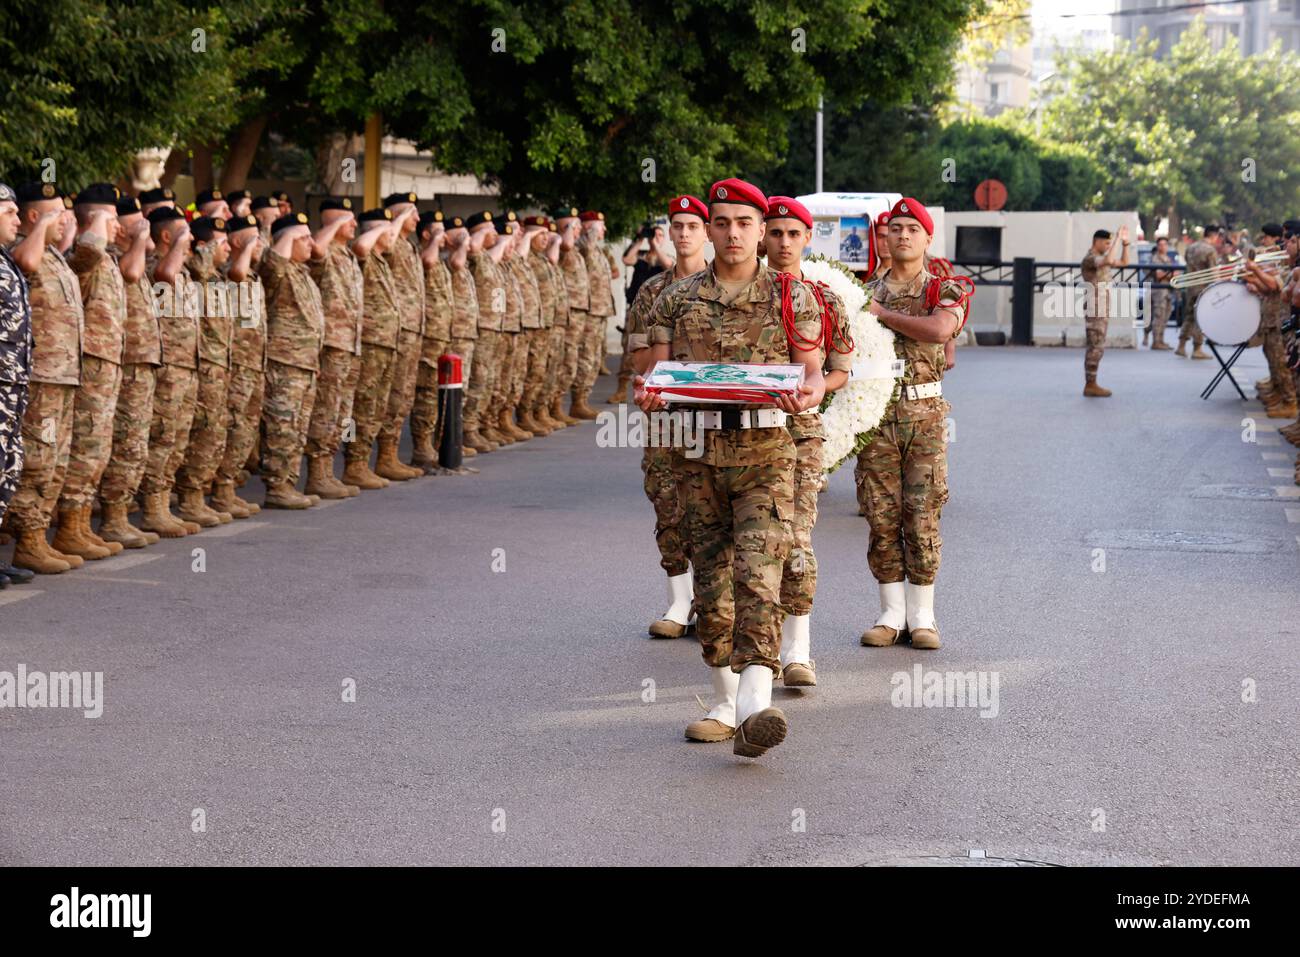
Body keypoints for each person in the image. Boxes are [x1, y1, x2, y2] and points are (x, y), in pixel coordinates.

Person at [637, 178, 827, 759]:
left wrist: (807, 396)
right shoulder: (675, 298)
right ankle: (723, 703)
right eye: (721, 222)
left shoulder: (794, 297)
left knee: (760, 576)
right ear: (710, 229)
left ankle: (755, 705)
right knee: (713, 588)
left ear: (761, 231)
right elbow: (654, 371)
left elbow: (814, 375)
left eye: (745, 224)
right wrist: (650, 392)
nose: (732, 234)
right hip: (695, 455)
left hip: (766, 454)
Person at [857, 198, 967, 652]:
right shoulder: (862, 291)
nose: (902, 235)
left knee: (921, 514)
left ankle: (923, 615)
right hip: (876, 415)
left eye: (911, 229)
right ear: (885, 237)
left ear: (927, 238)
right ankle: (890, 613)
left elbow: (941, 331)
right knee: (881, 515)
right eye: (895, 228)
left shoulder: (945, 288)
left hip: (923, 417)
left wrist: (884, 318)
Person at [763, 196, 854, 687]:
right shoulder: (739, 294)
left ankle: (797, 652)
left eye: (792, 233)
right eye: (774, 233)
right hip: (741, 431)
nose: (783, 242)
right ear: (763, 236)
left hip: (799, 431)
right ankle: (755, 652)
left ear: (806, 238)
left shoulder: (824, 298)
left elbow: (841, 370)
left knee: (796, 538)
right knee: (749, 544)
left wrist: (818, 387)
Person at [625, 195, 708, 641]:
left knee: (713, 506)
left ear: (707, 232)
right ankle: (680, 598)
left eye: (693, 226)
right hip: (667, 415)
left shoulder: (723, 289)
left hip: (716, 418)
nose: (684, 234)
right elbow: (639, 356)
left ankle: (714, 600)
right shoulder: (652, 291)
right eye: (677, 226)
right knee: (667, 501)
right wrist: (672, 370)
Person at [5, 182, 87, 574]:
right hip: (41, 376)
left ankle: (40, 536)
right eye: (54, 212)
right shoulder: (25, 249)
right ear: (34, 217)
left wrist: (59, 227)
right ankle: (28, 540)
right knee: (37, 457)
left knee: (54, 458)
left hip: (64, 375)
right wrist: (44, 225)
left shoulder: (56, 255)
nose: (64, 219)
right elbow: (27, 261)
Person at [54, 184, 130, 560]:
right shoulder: (83, 254)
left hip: (108, 363)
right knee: (84, 446)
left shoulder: (107, 257)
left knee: (96, 447)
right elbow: (84, 253)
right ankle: (68, 528)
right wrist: (96, 223)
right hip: (91, 362)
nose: (120, 227)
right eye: (113, 218)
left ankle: (81, 524)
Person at [97, 194, 162, 548]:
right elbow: (134, 271)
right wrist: (138, 238)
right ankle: (111, 517)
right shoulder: (122, 258)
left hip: (140, 360)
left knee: (136, 441)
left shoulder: (130, 254)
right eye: (138, 223)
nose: (145, 229)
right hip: (128, 361)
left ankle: (122, 514)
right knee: (124, 441)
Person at [137, 206, 202, 538]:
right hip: (168, 366)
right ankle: (151, 508)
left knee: (177, 437)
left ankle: (163, 504)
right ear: (165, 236)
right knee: (161, 437)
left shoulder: (185, 270)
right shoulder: (154, 265)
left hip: (187, 364)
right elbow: (163, 275)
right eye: (182, 232)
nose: (190, 239)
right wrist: (178, 244)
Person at [259, 211, 325, 508]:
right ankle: (276, 486)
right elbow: (273, 265)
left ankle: (289, 482)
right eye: (304, 238)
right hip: (284, 362)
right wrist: (286, 233)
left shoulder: (303, 273)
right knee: (281, 426)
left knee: (298, 427)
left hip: (305, 363)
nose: (311, 243)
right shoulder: (277, 271)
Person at [173, 214, 234, 527]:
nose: (228, 248)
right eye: (220, 244)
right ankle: (188, 498)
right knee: (201, 431)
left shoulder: (218, 278)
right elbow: (197, 267)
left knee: (213, 432)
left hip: (218, 364)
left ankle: (197, 495)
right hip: (202, 364)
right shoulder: (196, 272)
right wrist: (203, 250)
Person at [304, 198, 367, 495]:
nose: (354, 224)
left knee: (344, 412)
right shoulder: (324, 250)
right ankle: (317, 473)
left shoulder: (348, 255)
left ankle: (330, 468)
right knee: (326, 410)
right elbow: (316, 249)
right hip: (332, 343)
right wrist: (331, 227)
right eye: (348, 220)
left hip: (350, 344)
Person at [212, 213, 271, 515]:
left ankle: (229, 484)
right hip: (236, 365)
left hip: (253, 364)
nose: (259, 244)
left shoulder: (253, 275)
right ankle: (220, 488)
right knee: (233, 426)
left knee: (246, 428)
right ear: (236, 242)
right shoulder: (228, 270)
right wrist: (246, 248)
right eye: (252, 238)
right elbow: (234, 272)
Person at [343, 208, 401, 487]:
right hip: (369, 343)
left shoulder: (382, 261)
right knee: (360, 406)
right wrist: (380, 229)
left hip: (385, 343)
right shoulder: (364, 256)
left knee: (376, 406)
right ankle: (352, 463)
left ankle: (365, 460)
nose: (394, 238)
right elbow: (362, 245)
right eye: (389, 233)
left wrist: (388, 228)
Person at [0, 182, 37, 586]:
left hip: (11, 383)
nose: (17, 218)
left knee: (7, 468)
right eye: (9, 212)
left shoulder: (5, 261)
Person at [377, 192, 425, 481]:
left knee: (403, 396)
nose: (416, 219)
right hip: (398, 331)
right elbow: (386, 243)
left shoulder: (410, 247)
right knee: (391, 395)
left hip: (412, 329)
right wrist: (397, 219)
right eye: (412, 213)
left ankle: (390, 454)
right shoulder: (391, 242)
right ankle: (382, 457)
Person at [410, 209, 456, 471]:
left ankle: (433, 443)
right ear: (426, 234)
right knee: (425, 393)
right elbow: (426, 262)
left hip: (442, 334)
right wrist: (436, 241)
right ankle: (421, 445)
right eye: (438, 230)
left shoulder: (440, 258)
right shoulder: (422, 254)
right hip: (428, 336)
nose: (444, 236)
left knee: (438, 392)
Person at [464, 211, 511, 448]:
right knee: (477, 379)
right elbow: (472, 247)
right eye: (489, 229)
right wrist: (482, 234)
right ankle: (467, 429)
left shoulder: (490, 258)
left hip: (493, 327)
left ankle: (481, 424)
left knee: (489, 380)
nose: (495, 233)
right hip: (481, 326)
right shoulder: (475, 255)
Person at [1244, 224, 1297, 420]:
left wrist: (1256, 270)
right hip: (1274, 317)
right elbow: (1269, 289)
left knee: (1283, 362)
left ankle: (1290, 402)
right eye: (1286, 239)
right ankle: (1282, 396)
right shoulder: (1286, 263)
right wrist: (1255, 278)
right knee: (1274, 357)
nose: (1285, 243)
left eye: (1290, 240)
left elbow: (1276, 286)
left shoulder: (1288, 264)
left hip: (1282, 320)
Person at [444, 216, 484, 452]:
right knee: (452, 390)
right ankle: (449, 442)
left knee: (465, 388)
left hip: (467, 332)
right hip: (456, 334)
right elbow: (456, 263)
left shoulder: (466, 262)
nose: (467, 242)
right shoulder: (450, 259)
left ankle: (459, 437)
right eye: (460, 236)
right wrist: (461, 243)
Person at [556, 207, 595, 420]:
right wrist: (569, 227)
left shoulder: (576, 252)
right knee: (567, 361)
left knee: (579, 359)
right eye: (573, 226)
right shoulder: (562, 246)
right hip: (568, 312)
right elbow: (567, 242)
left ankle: (576, 402)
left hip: (580, 312)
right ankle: (556, 405)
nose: (578, 229)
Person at [1080, 226, 1129, 397]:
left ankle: (1092, 383)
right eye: (1107, 243)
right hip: (1095, 307)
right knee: (1095, 345)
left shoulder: (1101, 258)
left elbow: (1124, 263)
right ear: (1097, 242)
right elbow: (1109, 260)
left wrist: (1126, 244)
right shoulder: (1090, 259)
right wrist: (1116, 240)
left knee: (1098, 345)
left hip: (1102, 306)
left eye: (1110, 243)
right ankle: (1090, 384)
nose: (1109, 246)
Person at [1178, 226, 1222, 360]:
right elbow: (1213, 272)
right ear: (1214, 236)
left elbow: (1187, 263)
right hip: (1203, 287)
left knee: (1189, 316)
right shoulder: (1210, 250)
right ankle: (1197, 348)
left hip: (1191, 286)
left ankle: (1181, 345)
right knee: (1200, 317)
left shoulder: (1191, 247)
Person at [1147, 236, 1175, 350]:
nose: (1162, 246)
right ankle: (1156, 341)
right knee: (1158, 316)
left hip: (1167, 290)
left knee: (1165, 316)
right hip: (1158, 291)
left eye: (1165, 244)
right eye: (1160, 244)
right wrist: (1170, 274)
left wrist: (1169, 274)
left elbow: (1176, 274)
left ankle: (1161, 340)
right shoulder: (1155, 259)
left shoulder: (1167, 258)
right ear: (1157, 246)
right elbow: (1159, 275)